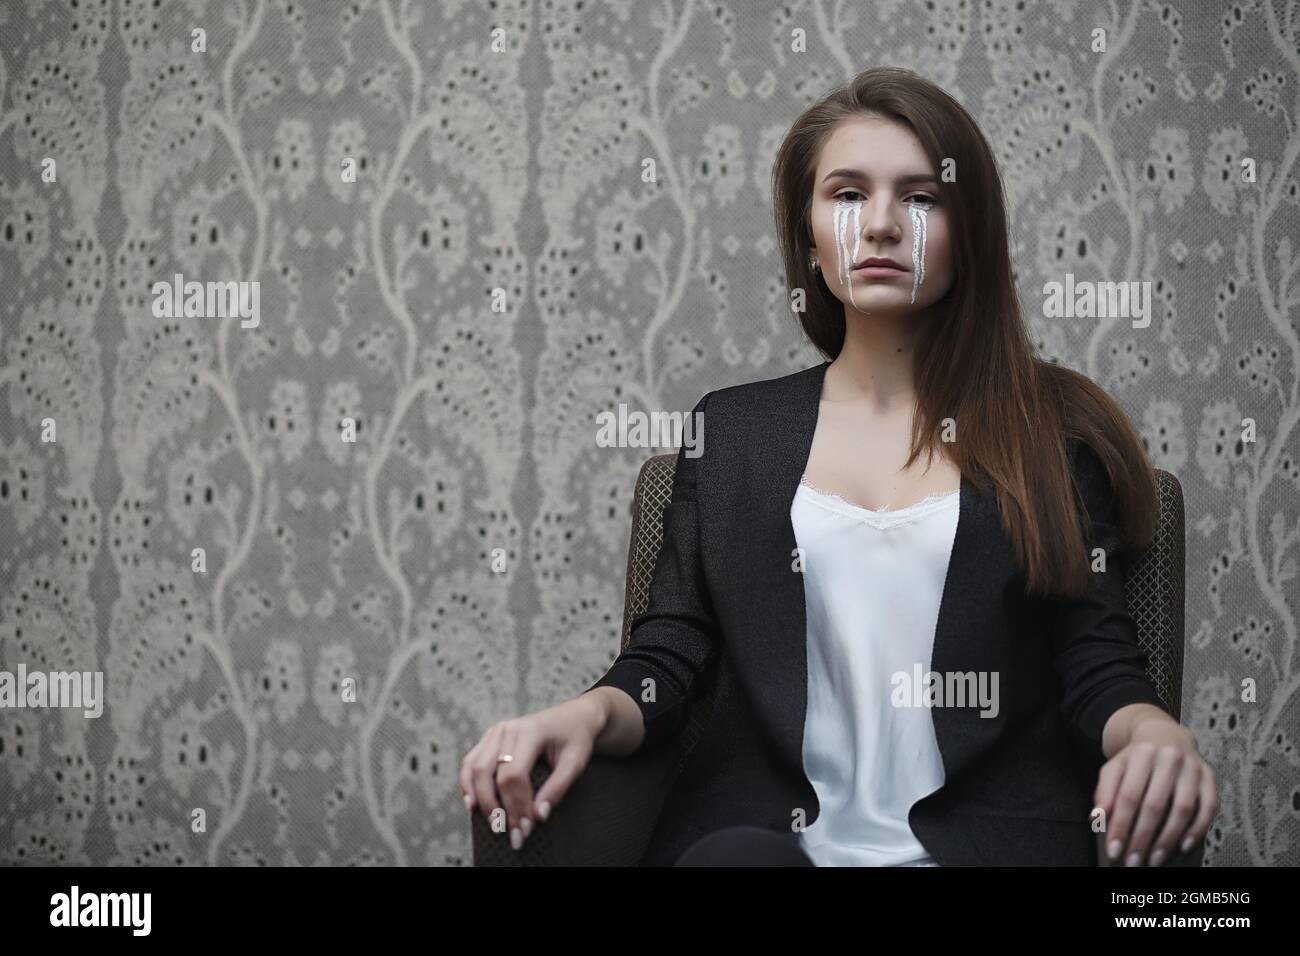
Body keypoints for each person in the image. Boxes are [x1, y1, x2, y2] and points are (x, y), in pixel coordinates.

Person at [459, 66, 1217, 867]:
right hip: (768, 849)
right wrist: (580, 715)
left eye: (921, 198)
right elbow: (667, 656)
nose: (882, 225)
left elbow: (1096, 666)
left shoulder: (1049, 440)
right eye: (847, 195)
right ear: (811, 241)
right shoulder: (734, 433)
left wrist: (1157, 733)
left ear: (972, 234)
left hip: (987, 845)